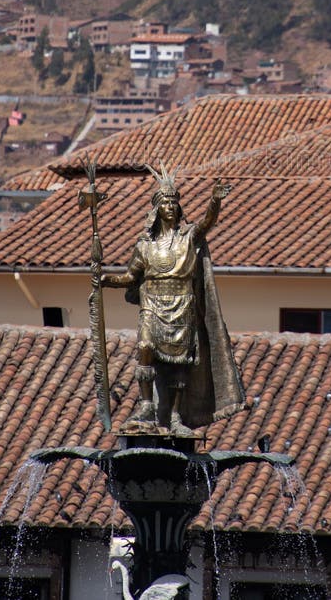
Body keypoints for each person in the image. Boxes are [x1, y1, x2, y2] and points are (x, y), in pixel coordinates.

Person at [101, 165, 245, 435]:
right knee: (144, 346)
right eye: (165, 202)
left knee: (180, 362)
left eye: (173, 203)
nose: (170, 206)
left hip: (182, 302)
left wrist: (214, 199)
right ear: (156, 210)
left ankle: (176, 417)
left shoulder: (188, 238)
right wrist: (108, 281)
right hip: (152, 303)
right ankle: (146, 406)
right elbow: (131, 277)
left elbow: (207, 223)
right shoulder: (144, 245)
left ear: (178, 210)